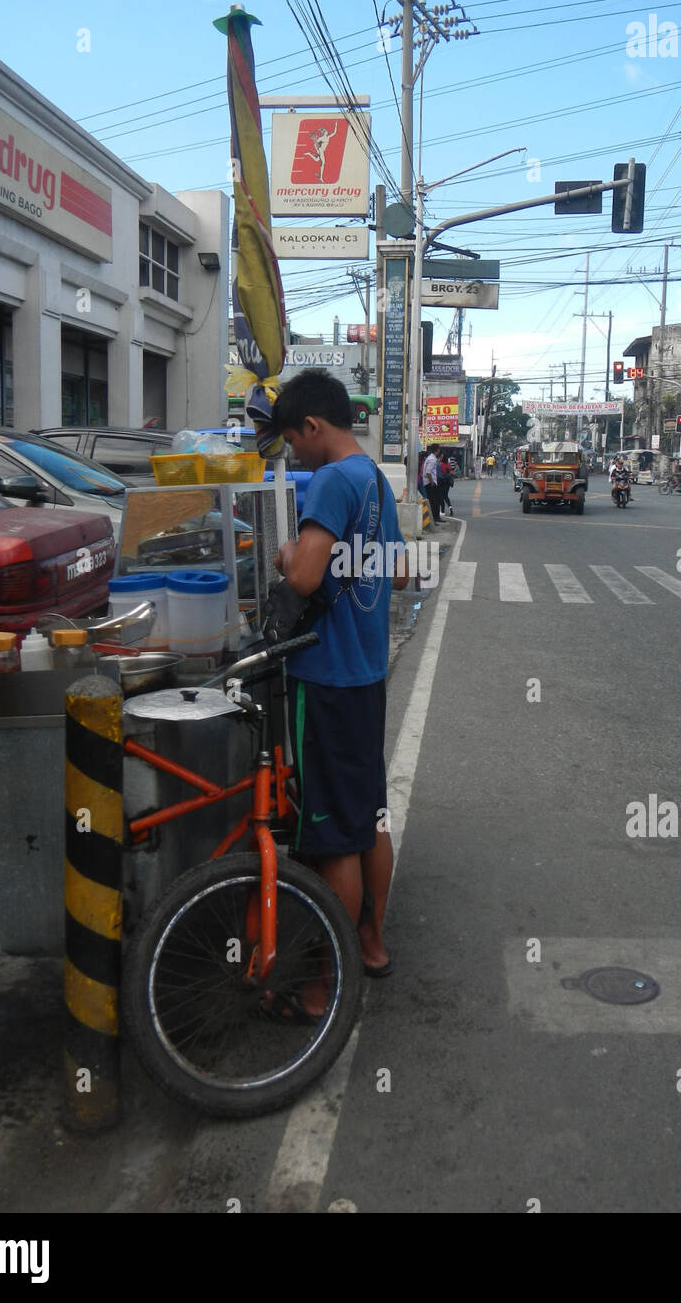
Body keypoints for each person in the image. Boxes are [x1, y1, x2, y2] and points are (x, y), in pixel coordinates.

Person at [271, 369, 408, 1006]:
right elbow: (401, 575)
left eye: (293, 441)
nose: (293, 455)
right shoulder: (376, 479)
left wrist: (284, 557)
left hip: (325, 678)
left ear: (313, 426)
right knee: (367, 820)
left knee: (331, 840)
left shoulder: (329, 480)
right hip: (367, 675)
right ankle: (373, 946)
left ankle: (326, 983)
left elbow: (302, 578)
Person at [421, 443, 443, 523]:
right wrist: (432, 482)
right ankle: (435, 518)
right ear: (437, 450)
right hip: (430, 483)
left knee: (434, 501)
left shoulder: (430, 458)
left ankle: (435, 518)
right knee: (434, 502)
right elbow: (428, 472)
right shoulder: (432, 459)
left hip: (428, 482)